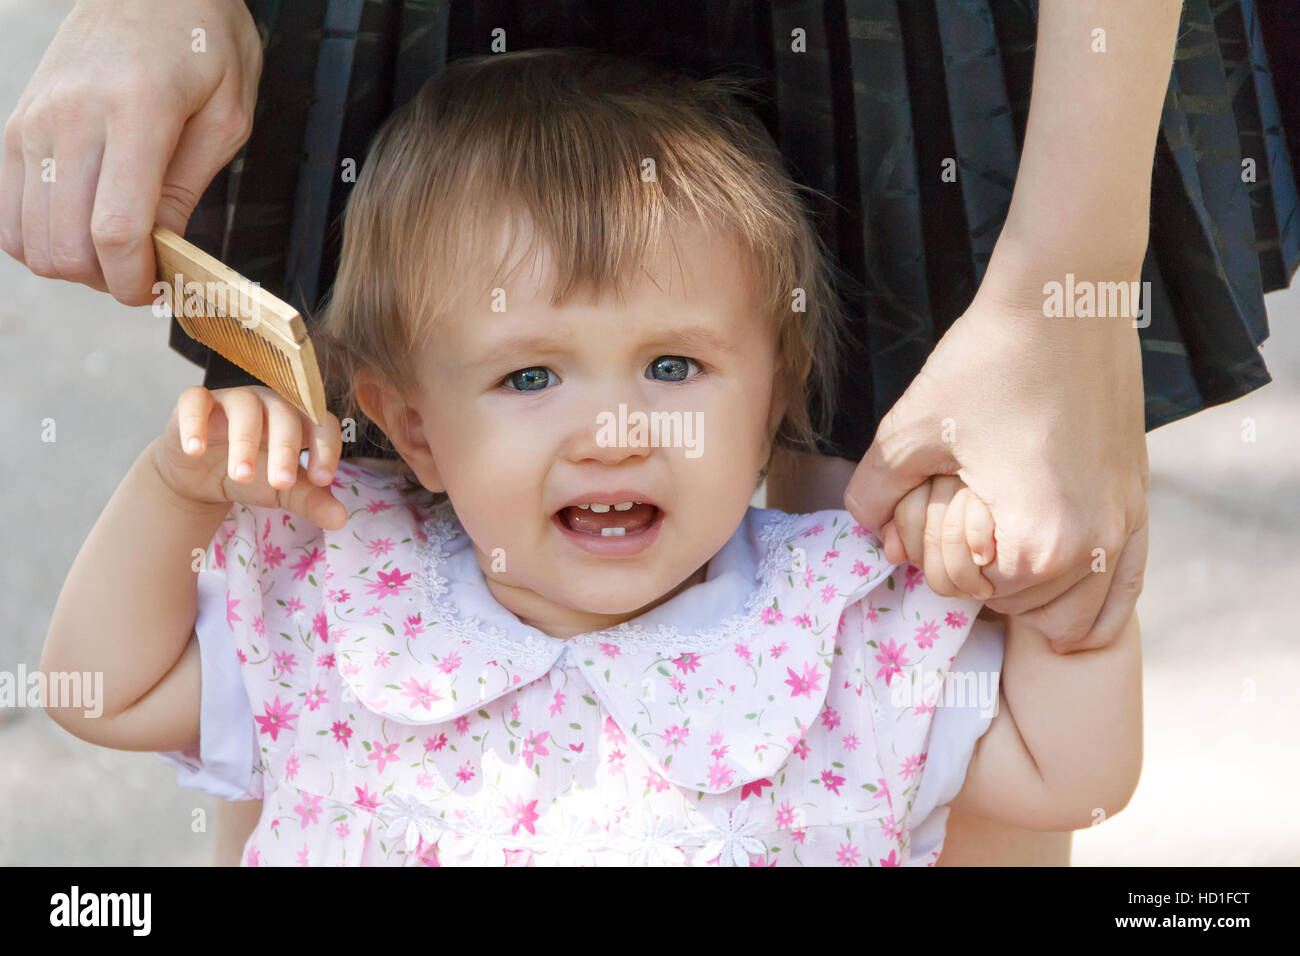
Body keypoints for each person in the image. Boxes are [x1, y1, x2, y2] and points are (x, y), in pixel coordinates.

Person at [8, 0, 1294, 864]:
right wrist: (181, 489)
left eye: (672, 366)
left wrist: (1049, 590)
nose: (613, 427)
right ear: (411, 426)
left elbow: (1070, 774)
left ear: (776, 396)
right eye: (529, 376)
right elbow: (103, 688)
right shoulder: (350, 600)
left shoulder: (831, 625)